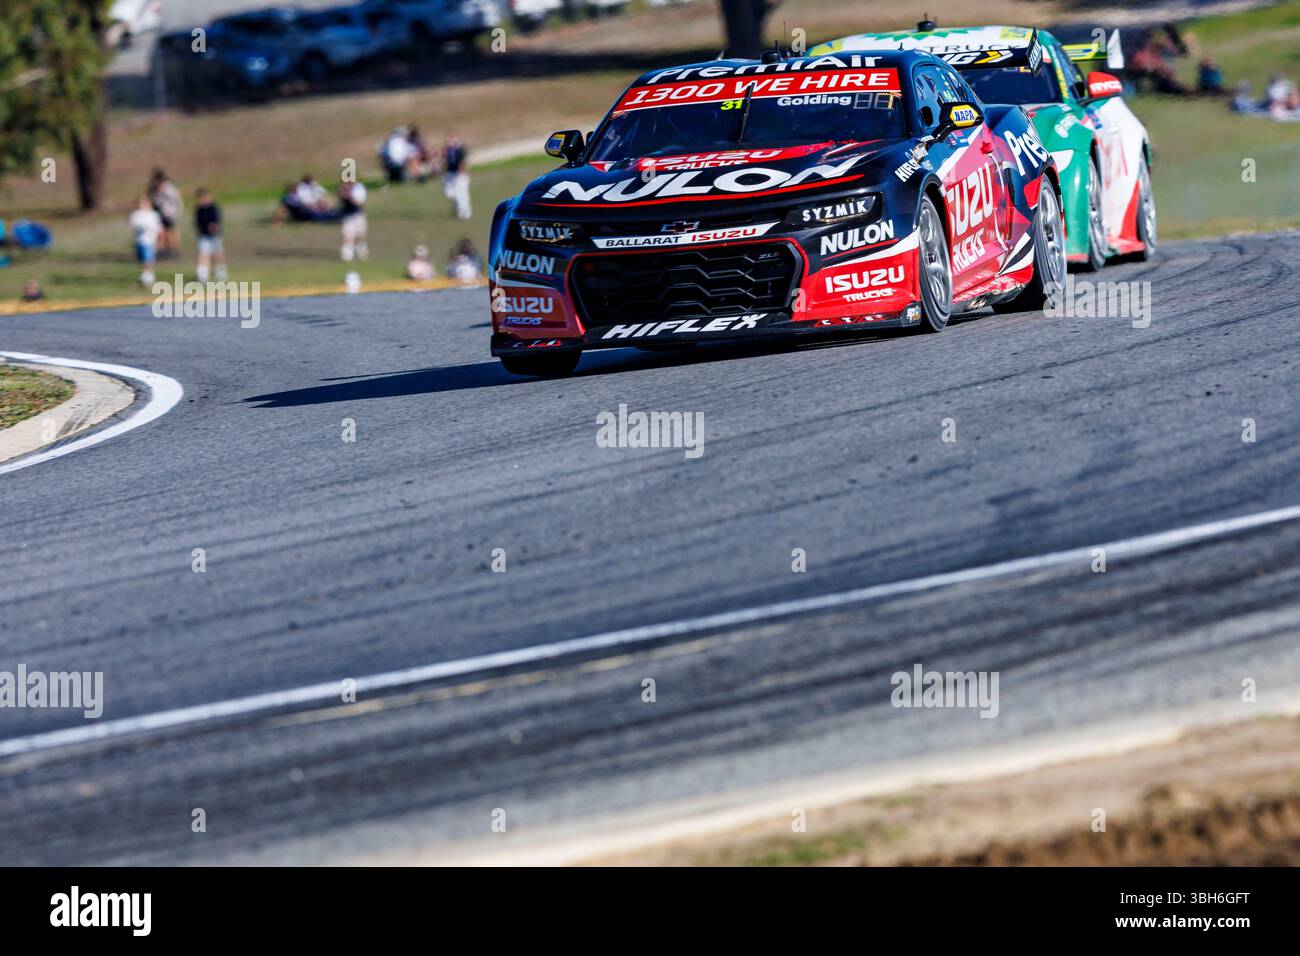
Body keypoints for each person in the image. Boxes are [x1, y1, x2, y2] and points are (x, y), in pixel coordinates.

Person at [149, 168, 183, 258]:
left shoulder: (168, 187)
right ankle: (162, 250)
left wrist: (175, 212)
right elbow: (154, 199)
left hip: (169, 213)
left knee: (170, 231)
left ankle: (174, 250)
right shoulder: (154, 187)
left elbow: (176, 200)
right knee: (161, 232)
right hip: (159, 212)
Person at [194, 188, 227, 282]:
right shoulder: (199, 210)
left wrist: (214, 227)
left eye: (204, 197)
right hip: (204, 236)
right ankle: (202, 276)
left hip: (214, 236)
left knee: (218, 255)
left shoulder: (213, 208)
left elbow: (217, 221)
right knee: (203, 255)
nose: (202, 200)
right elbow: (198, 223)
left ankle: (221, 275)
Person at [129, 195, 163, 285]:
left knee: (148, 259)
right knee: (141, 259)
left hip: (150, 240)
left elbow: (158, 227)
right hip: (139, 240)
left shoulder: (153, 214)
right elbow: (134, 224)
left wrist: (160, 238)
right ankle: (145, 274)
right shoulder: (136, 214)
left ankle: (148, 275)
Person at [443, 133, 471, 220]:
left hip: (459, 175)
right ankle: (459, 209)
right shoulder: (448, 149)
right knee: (449, 193)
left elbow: (464, 162)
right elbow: (445, 161)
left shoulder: (460, 149)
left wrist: (463, 173)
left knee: (462, 194)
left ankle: (465, 212)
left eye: (451, 140)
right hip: (449, 174)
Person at [338, 180, 368, 262]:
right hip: (348, 216)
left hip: (358, 215)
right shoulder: (343, 188)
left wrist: (350, 196)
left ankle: (361, 253)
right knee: (348, 236)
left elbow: (359, 202)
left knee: (360, 236)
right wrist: (345, 193)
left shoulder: (359, 188)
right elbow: (341, 197)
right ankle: (347, 256)